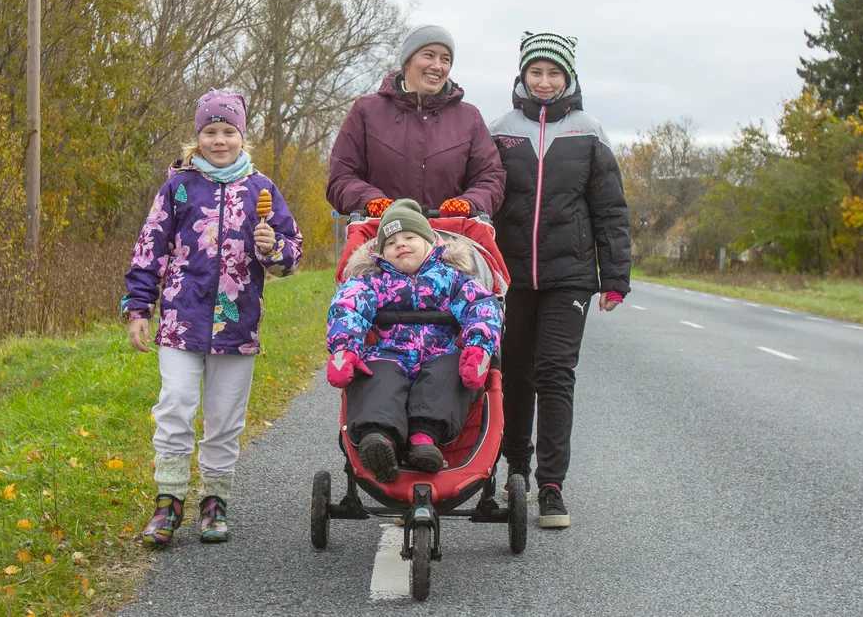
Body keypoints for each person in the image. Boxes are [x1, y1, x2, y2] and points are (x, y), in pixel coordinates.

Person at [122, 88, 303, 545]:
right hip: (180, 322)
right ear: (197, 137)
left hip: (237, 326)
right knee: (175, 406)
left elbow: (291, 256)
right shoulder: (178, 188)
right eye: (210, 132)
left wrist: (273, 249)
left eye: (228, 132)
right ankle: (168, 501)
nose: (219, 140)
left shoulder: (262, 190)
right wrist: (139, 308)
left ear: (242, 137)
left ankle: (214, 502)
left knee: (225, 420)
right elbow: (149, 249)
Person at [489, 32, 632, 529]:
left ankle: (551, 486)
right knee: (513, 374)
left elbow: (610, 209)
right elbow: (485, 198)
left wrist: (615, 277)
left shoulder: (589, 132)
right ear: (523, 75)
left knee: (554, 374)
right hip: (509, 275)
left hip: (569, 275)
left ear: (568, 77)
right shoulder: (500, 130)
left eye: (554, 73)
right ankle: (516, 472)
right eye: (536, 72)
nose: (545, 82)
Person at [326, 199, 502, 482]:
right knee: (374, 376)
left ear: (429, 243)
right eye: (390, 242)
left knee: (449, 373)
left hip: (439, 353)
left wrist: (478, 347)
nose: (400, 245)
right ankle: (380, 439)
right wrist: (344, 349)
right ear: (381, 252)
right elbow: (348, 309)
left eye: (409, 237)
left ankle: (424, 438)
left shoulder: (451, 278)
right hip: (388, 353)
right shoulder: (372, 281)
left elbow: (481, 306)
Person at [326, 24, 505, 218]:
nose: (437, 66)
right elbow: (341, 176)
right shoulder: (365, 110)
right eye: (429, 55)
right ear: (407, 61)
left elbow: (490, 178)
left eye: (445, 59)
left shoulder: (470, 118)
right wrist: (369, 200)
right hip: (380, 233)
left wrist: (470, 203)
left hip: (451, 235)